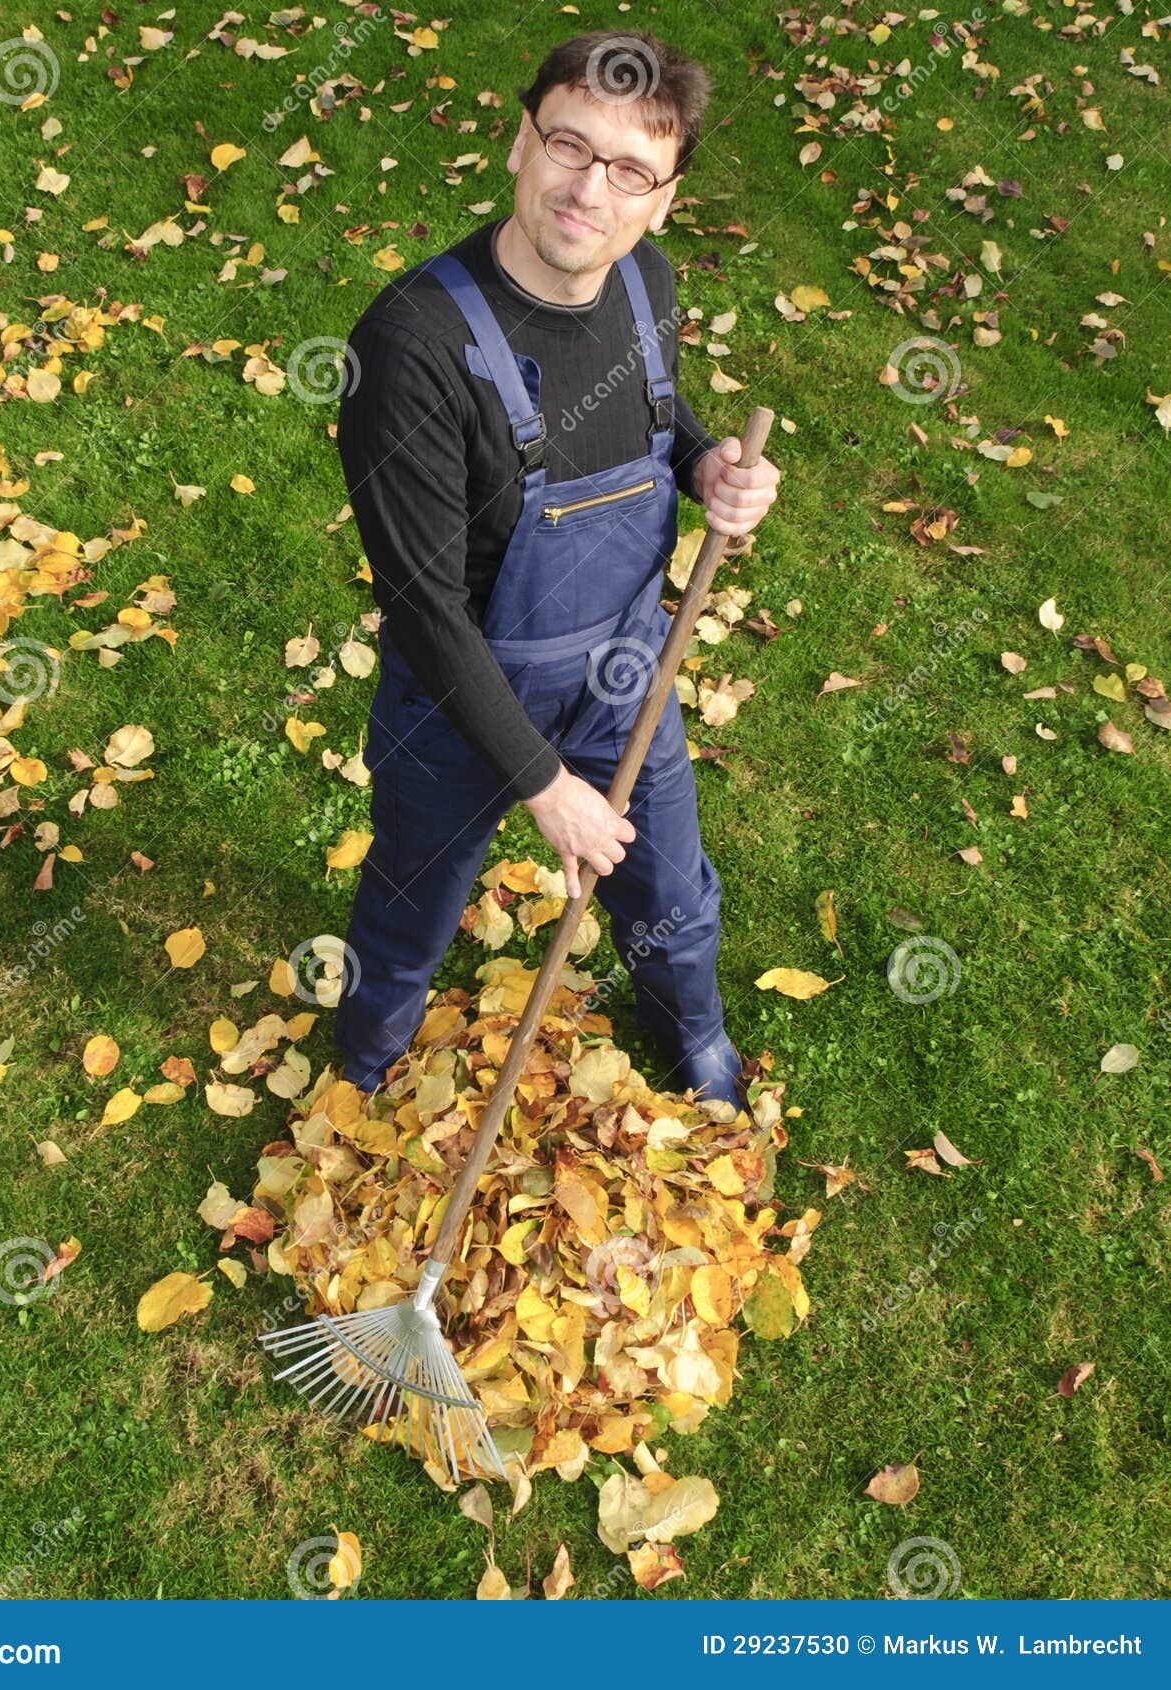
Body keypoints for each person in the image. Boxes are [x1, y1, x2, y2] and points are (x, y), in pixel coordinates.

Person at [331, 30, 780, 1106]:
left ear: (663, 203)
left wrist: (706, 463)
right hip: (456, 693)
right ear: (519, 143)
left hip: (623, 673)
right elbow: (423, 609)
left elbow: (655, 413)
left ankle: (696, 1039)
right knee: (411, 903)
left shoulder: (644, 282)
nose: (589, 191)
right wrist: (547, 788)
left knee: (671, 893)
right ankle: (363, 1068)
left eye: (630, 171)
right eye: (569, 146)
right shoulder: (410, 345)